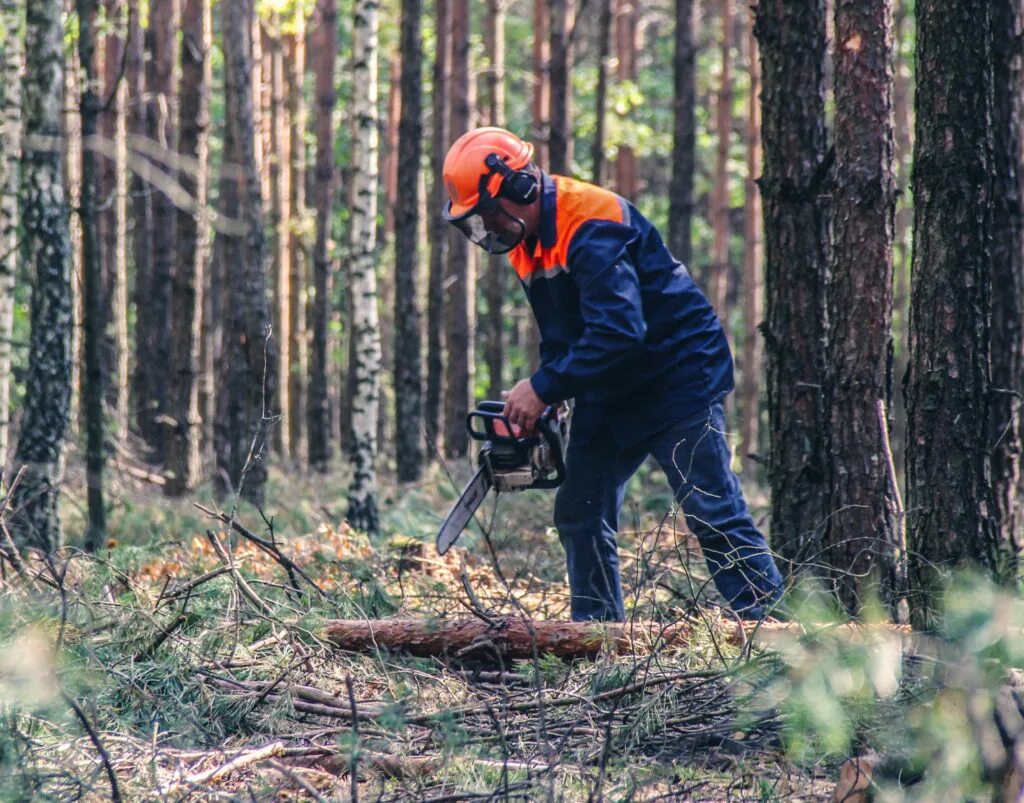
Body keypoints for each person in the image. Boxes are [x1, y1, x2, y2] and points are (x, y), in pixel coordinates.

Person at [441, 126, 784, 622]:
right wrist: (552, 389)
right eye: (479, 220)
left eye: (491, 213)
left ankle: (772, 634)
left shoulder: (590, 221)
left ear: (521, 189)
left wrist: (544, 387)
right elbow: (562, 332)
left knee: (712, 510)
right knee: (580, 511)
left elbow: (621, 329)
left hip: (676, 374)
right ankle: (599, 640)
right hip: (613, 384)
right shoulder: (526, 242)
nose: (489, 227)